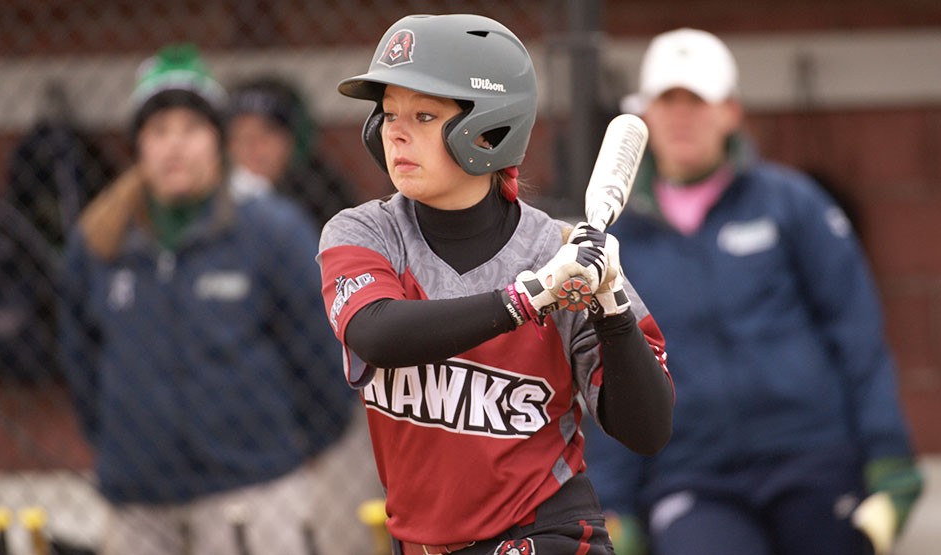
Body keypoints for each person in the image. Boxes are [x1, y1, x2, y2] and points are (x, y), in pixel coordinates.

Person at [317, 14, 675, 555]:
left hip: (542, 535)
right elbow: (377, 334)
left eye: (424, 115)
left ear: (489, 130)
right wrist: (525, 299)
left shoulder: (555, 251)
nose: (395, 131)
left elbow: (646, 429)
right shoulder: (366, 232)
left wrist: (613, 308)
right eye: (388, 114)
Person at [582, 28, 924, 555]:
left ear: (731, 112)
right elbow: (610, 372)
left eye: (697, 101)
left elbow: (856, 333)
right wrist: (614, 503)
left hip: (812, 457)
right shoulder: (616, 239)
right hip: (690, 473)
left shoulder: (793, 204)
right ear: (645, 114)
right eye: (667, 101)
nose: (681, 116)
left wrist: (890, 457)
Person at [57, 43, 356, 555]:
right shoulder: (99, 242)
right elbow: (80, 362)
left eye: (191, 129)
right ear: (138, 144)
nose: (174, 146)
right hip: (139, 499)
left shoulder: (271, 231)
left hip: (255, 490)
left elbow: (320, 353)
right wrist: (122, 448)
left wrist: (294, 449)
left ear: (217, 140)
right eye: (159, 131)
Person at [226, 75, 359, 228]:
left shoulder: (320, 192)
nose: (252, 146)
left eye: (266, 133)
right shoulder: (215, 197)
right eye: (240, 135)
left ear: (293, 140)